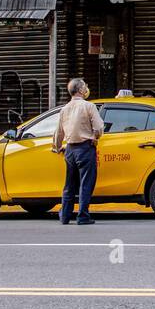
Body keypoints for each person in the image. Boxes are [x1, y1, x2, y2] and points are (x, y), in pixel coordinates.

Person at [52, 78, 104, 225]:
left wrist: (57, 148)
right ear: (81, 90)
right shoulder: (89, 106)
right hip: (85, 148)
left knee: (69, 184)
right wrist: (95, 137)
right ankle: (83, 216)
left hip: (69, 150)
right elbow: (99, 127)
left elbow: (58, 134)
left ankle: (65, 216)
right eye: (85, 86)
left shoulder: (64, 109)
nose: (87, 88)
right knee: (86, 183)